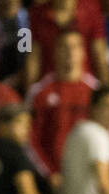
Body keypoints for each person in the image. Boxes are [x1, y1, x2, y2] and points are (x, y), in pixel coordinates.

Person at [26, 29, 98, 182]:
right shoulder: (39, 92)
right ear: (55, 52)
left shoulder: (95, 91)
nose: (70, 52)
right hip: (53, 178)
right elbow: (30, 138)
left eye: (75, 47)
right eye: (64, 47)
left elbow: (107, 133)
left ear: (83, 52)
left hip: (90, 178)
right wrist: (49, 173)